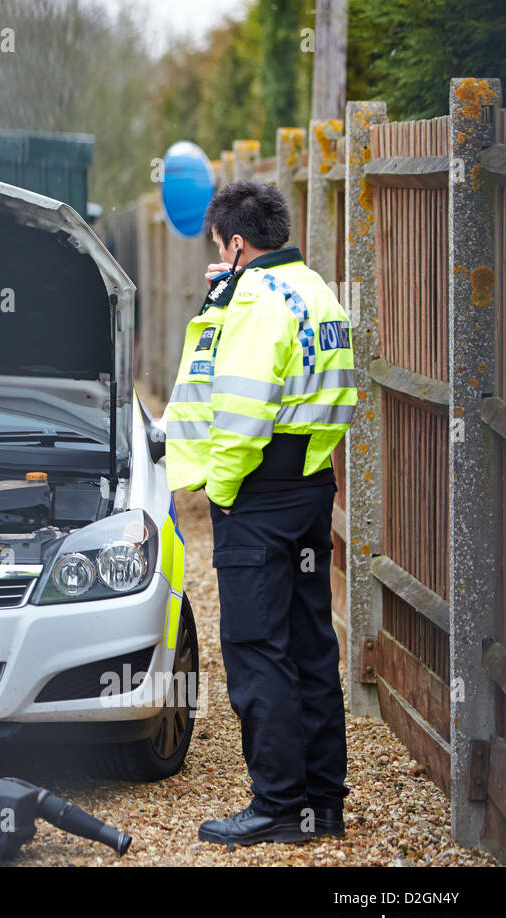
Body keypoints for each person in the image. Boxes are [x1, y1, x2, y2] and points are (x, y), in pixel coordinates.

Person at [162, 181, 357, 845]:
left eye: (221, 247)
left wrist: (220, 488)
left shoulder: (253, 298)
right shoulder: (318, 290)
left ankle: (278, 805)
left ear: (236, 242)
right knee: (309, 643)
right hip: (309, 482)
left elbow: (241, 408)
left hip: (255, 489)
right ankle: (322, 804)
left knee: (255, 649)